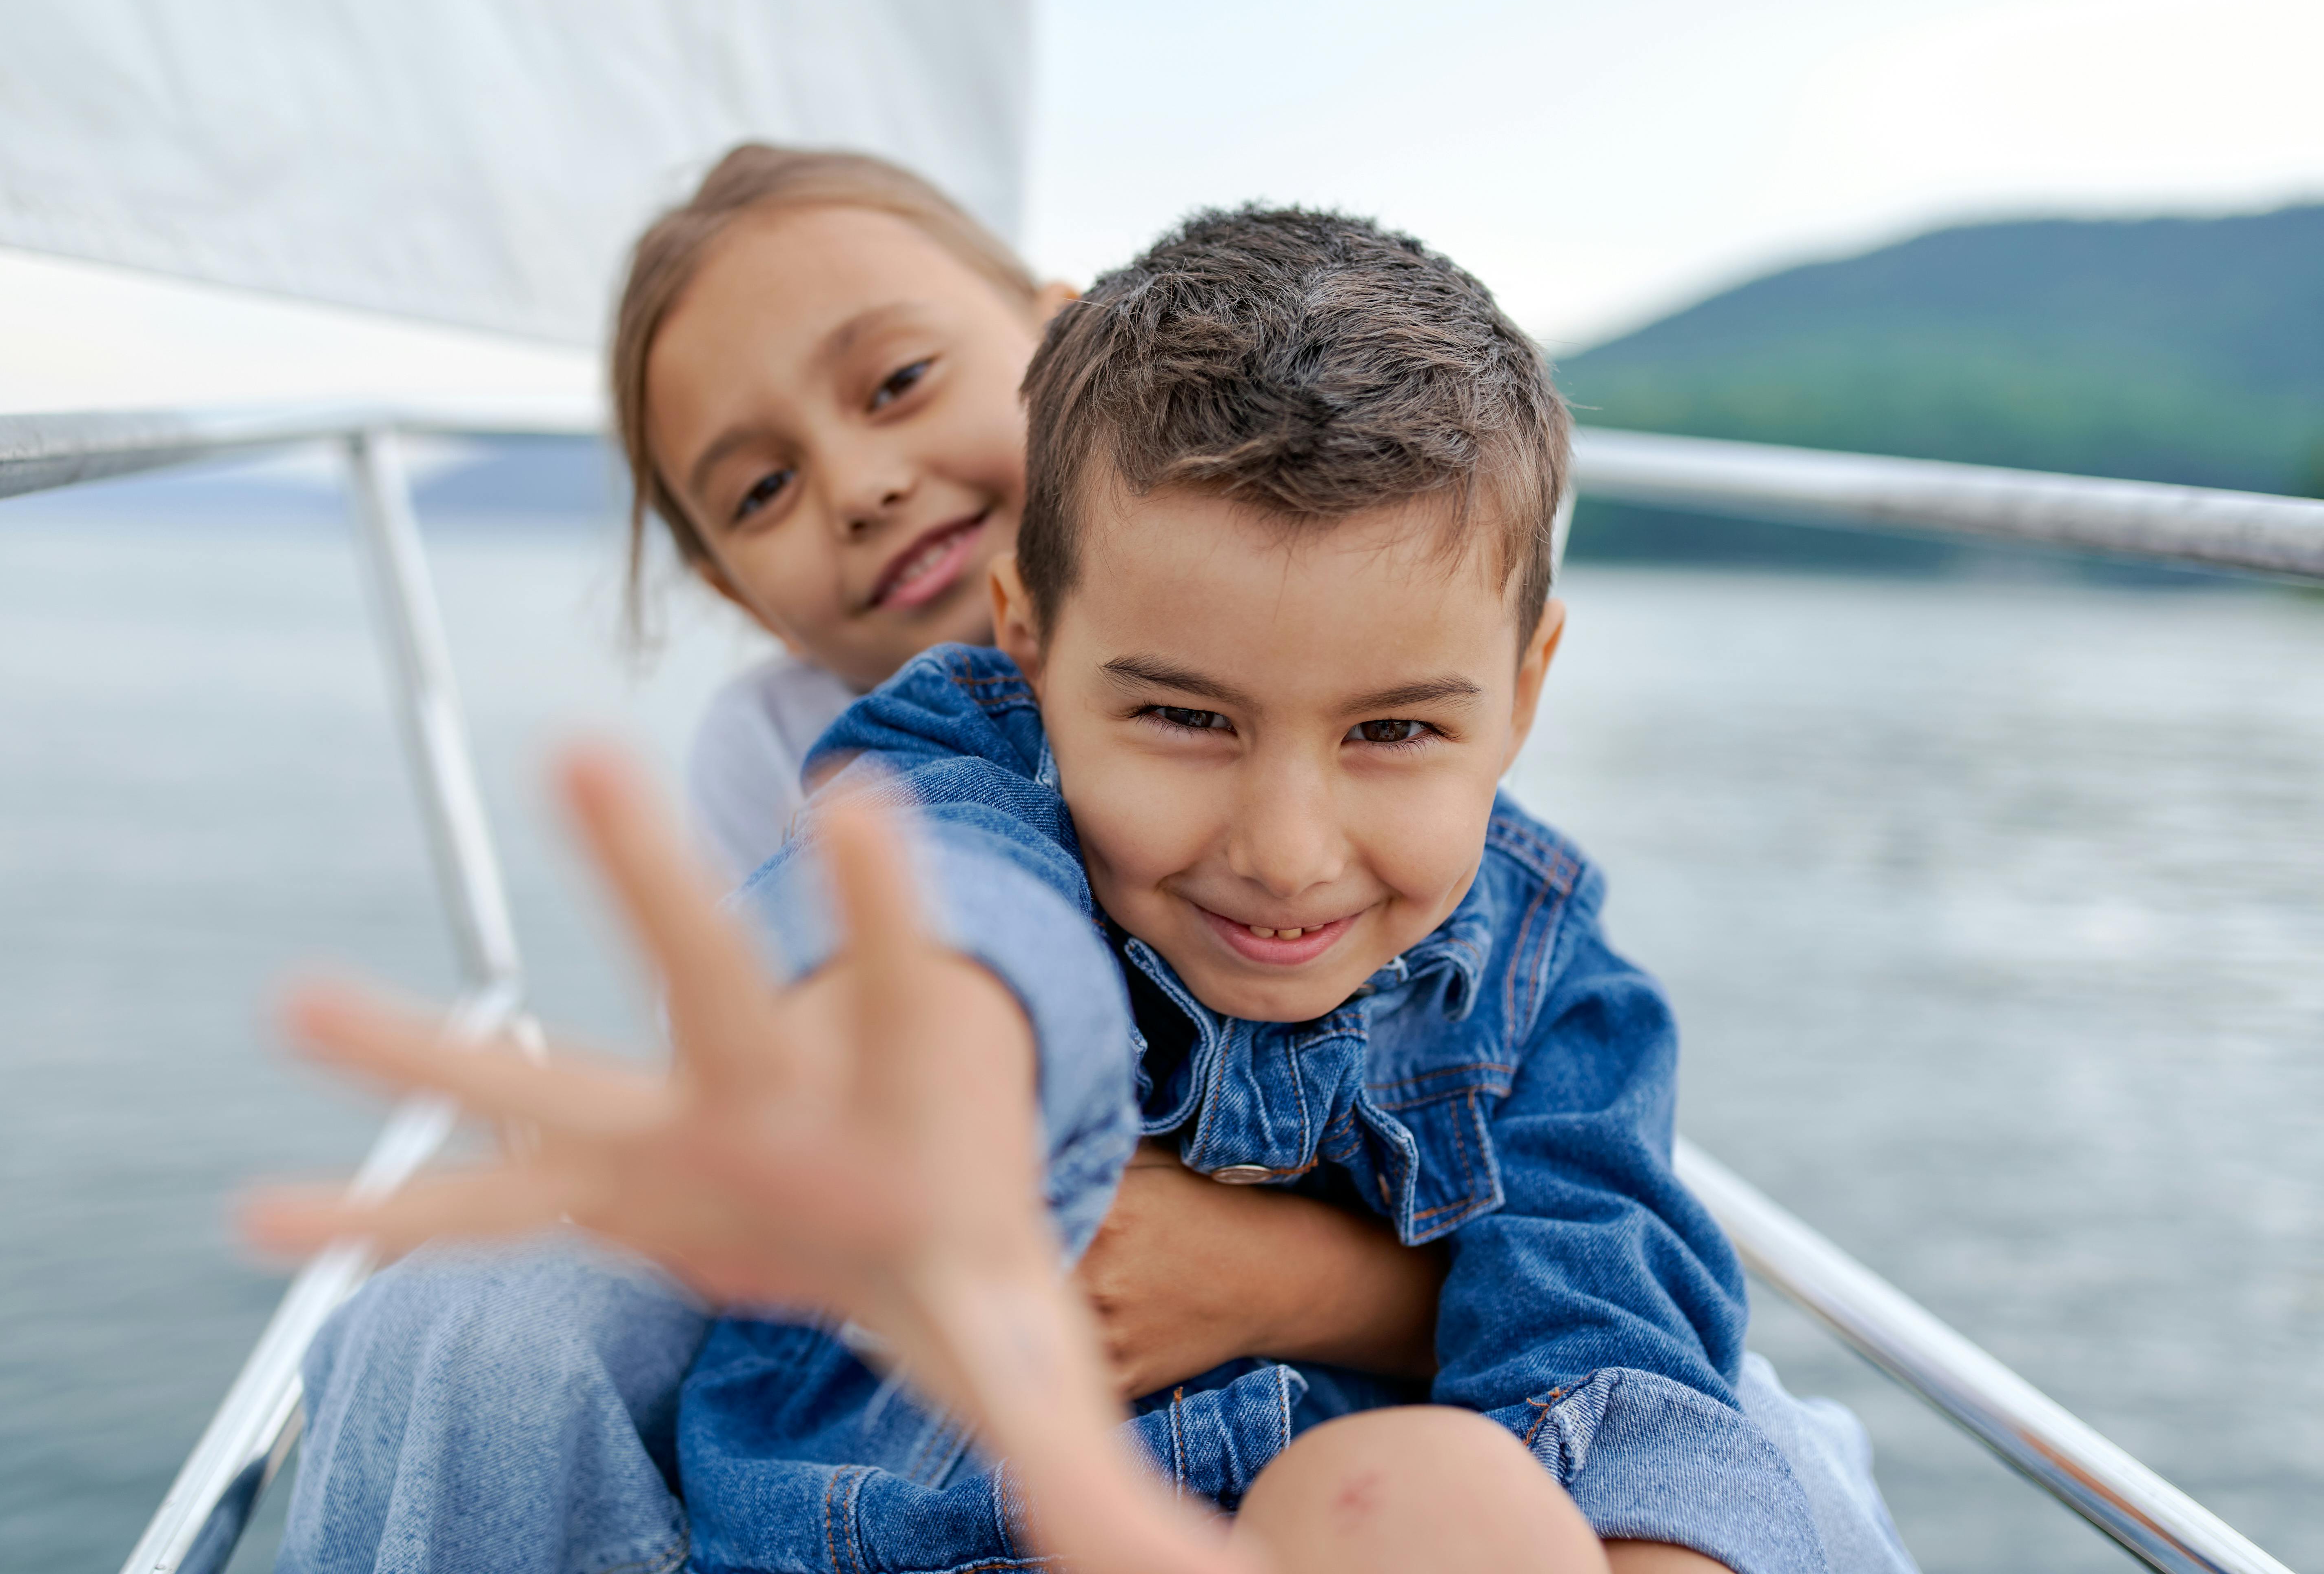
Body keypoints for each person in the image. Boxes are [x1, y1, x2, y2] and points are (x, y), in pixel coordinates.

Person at [253, 207, 1914, 1573]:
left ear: (1524, 689)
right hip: (913, 1521)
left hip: (1314, 1501)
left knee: (1463, 1493)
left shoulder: (1546, 968)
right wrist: (930, 1098)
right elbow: (957, 920)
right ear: (1028, 640)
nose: (1283, 845)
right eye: (1184, 720)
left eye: (1395, 729)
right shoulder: (953, 750)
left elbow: (1607, 1328)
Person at [266, 150, 1452, 1574]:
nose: (862, 485)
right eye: (762, 490)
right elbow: (903, 956)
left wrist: (1280, 1282)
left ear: (1065, 346)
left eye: (895, 384)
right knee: (454, 1326)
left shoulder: (1343, 630)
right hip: (880, 1337)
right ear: (726, 583)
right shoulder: (778, 753)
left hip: (1315, 1352)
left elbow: (1541, 1186)